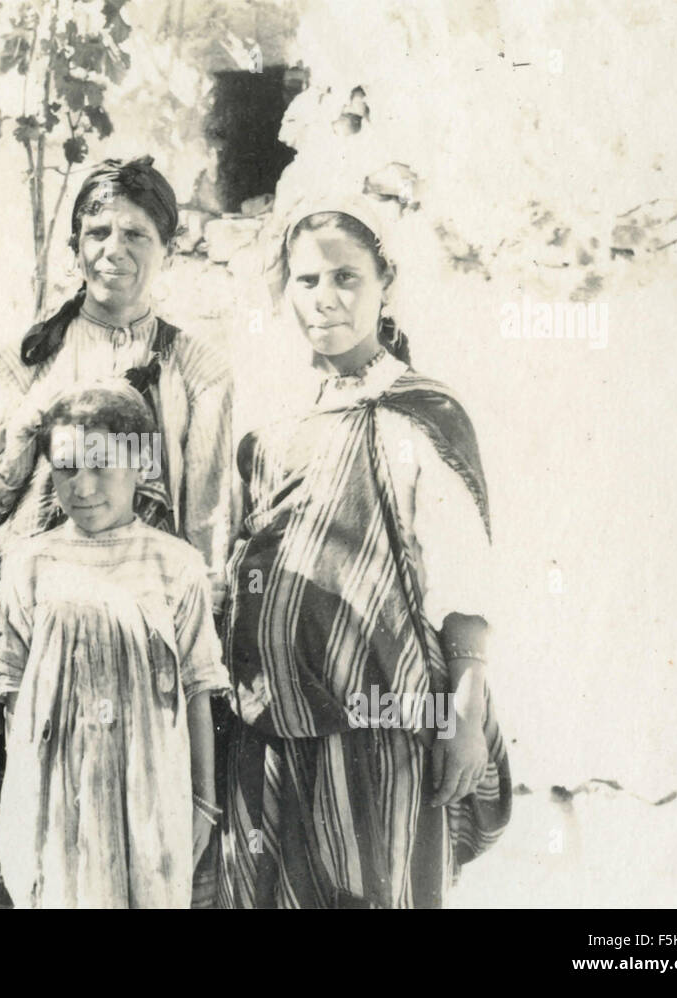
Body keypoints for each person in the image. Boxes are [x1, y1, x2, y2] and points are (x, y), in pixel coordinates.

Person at [0, 156, 235, 906]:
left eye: (136, 233)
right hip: (37, 637)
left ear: (168, 248)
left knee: (144, 842)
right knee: (34, 841)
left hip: (147, 645)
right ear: (75, 246)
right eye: (97, 231)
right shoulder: (29, 357)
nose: (115, 248)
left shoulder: (196, 367)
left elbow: (206, 518)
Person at [217, 199, 511, 909]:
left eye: (346, 278)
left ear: (387, 284)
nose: (325, 299)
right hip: (272, 733)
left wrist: (465, 714)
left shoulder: (422, 415)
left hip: (384, 732)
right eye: (306, 280)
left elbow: (464, 586)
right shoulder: (274, 426)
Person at [0, 381, 228, 907]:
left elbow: (198, 686)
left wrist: (203, 801)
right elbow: (15, 693)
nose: (83, 486)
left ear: (141, 465)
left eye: (102, 466)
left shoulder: (175, 564)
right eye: (68, 467)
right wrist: (26, 795)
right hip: (56, 791)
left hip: (148, 789)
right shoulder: (29, 564)